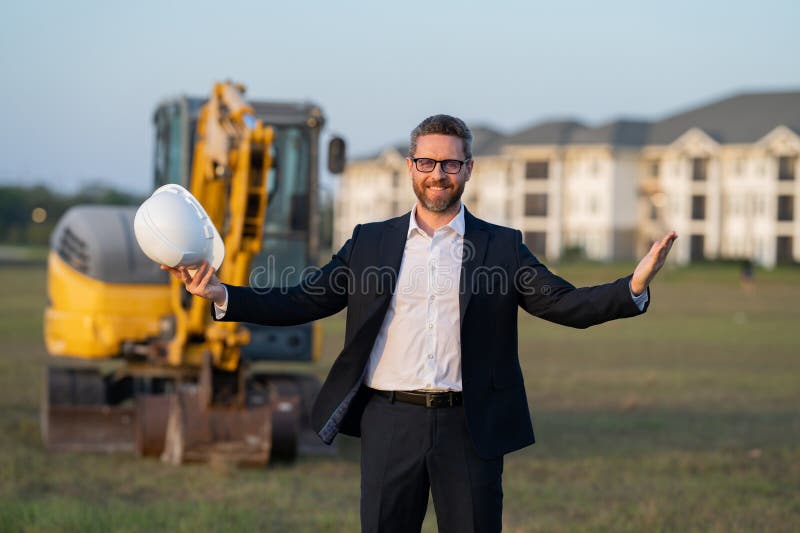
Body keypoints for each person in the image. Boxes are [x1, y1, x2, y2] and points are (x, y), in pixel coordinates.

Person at [165, 114, 677, 532]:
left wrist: (630, 288)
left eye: (450, 164)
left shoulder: (501, 246)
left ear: (469, 169)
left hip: (469, 427)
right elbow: (305, 299)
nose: (439, 174)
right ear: (411, 166)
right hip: (390, 423)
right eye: (428, 162)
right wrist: (223, 294)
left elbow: (560, 303)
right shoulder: (370, 242)